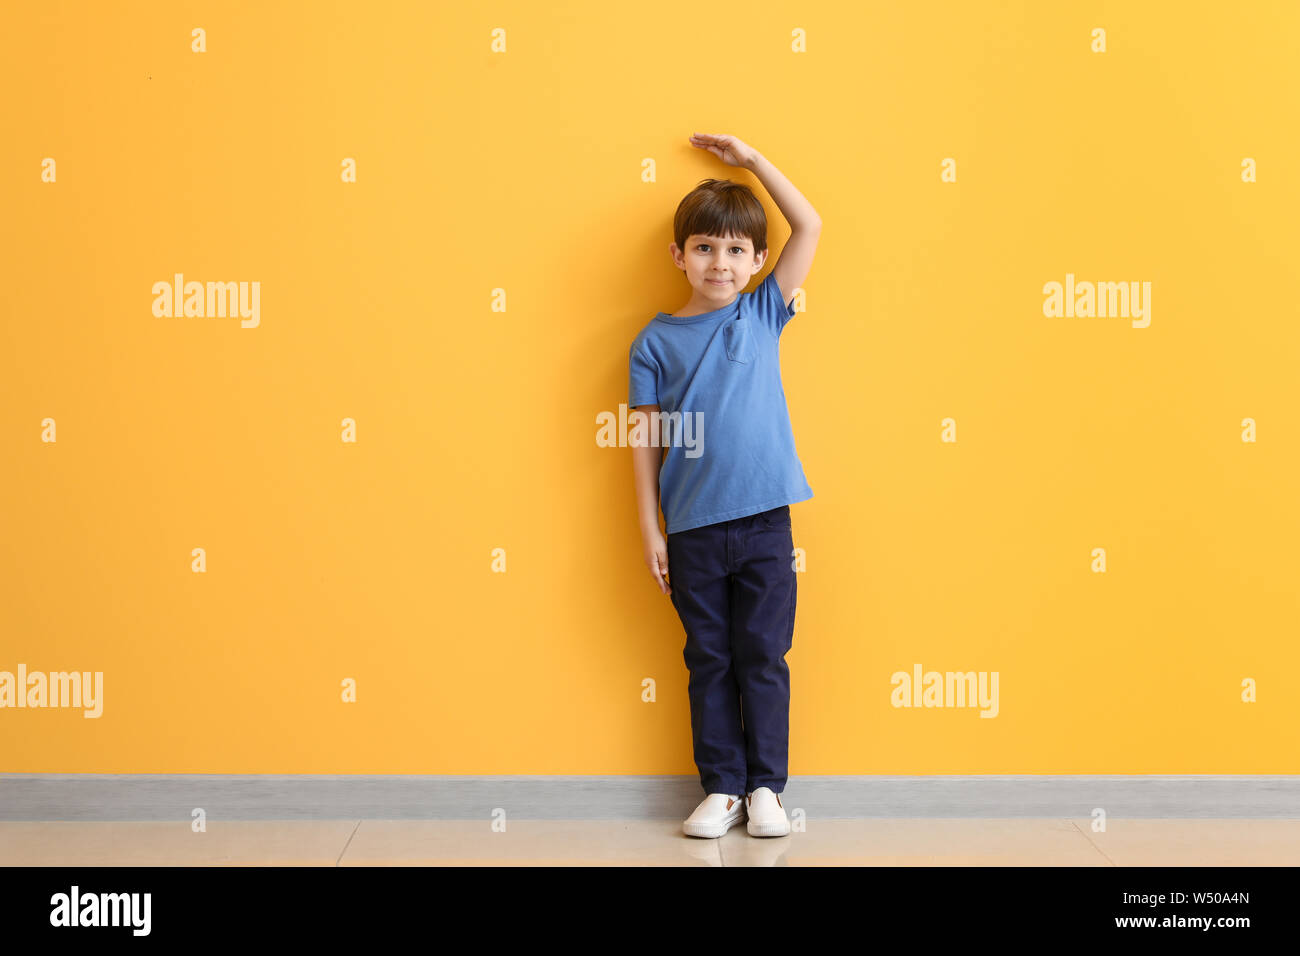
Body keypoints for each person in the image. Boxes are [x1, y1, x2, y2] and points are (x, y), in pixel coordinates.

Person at [628, 132, 821, 838]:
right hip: (692, 530)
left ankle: (768, 787)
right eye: (705, 247)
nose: (720, 261)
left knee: (763, 655)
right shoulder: (651, 343)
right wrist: (651, 528)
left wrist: (754, 163)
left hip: (767, 522)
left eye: (737, 250)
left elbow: (811, 224)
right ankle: (723, 787)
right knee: (708, 657)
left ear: (758, 262)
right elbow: (644, 442)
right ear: (679, 255)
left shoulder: (763, 311)